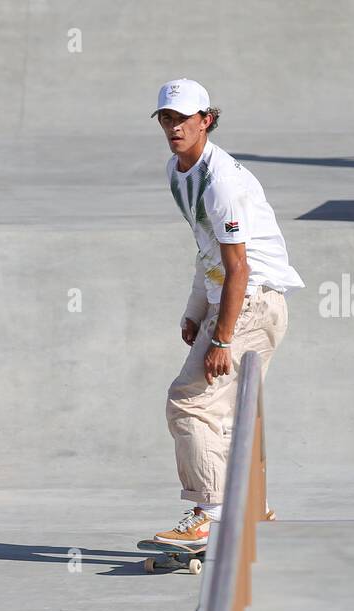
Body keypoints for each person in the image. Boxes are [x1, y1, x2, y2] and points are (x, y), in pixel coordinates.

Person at [149, 78, 302, 548]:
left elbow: (240, 265)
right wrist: (197, 308)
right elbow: (207, 248)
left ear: (206, 121)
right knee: (228, 414)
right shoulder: (179, 172)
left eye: (184, 119)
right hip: (238, 300)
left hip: (251, 300)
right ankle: (251, 507)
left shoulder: (223, 183)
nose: (175, 128)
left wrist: (221, 338)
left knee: (189, 403)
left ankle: (209, 513)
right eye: (167, 119)